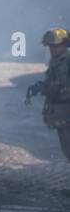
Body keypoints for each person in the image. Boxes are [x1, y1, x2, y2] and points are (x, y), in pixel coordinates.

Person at [27, 27, 70, 163]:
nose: (52, 49)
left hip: (67, 110)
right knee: (67, 149)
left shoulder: (67, 61)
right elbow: (52, 81)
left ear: (64, 45)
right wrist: (39, 87)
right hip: (61, 113)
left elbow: (60, 85)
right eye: (50, 46)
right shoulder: (57, 61)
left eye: (55, 46)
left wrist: (46, 89)